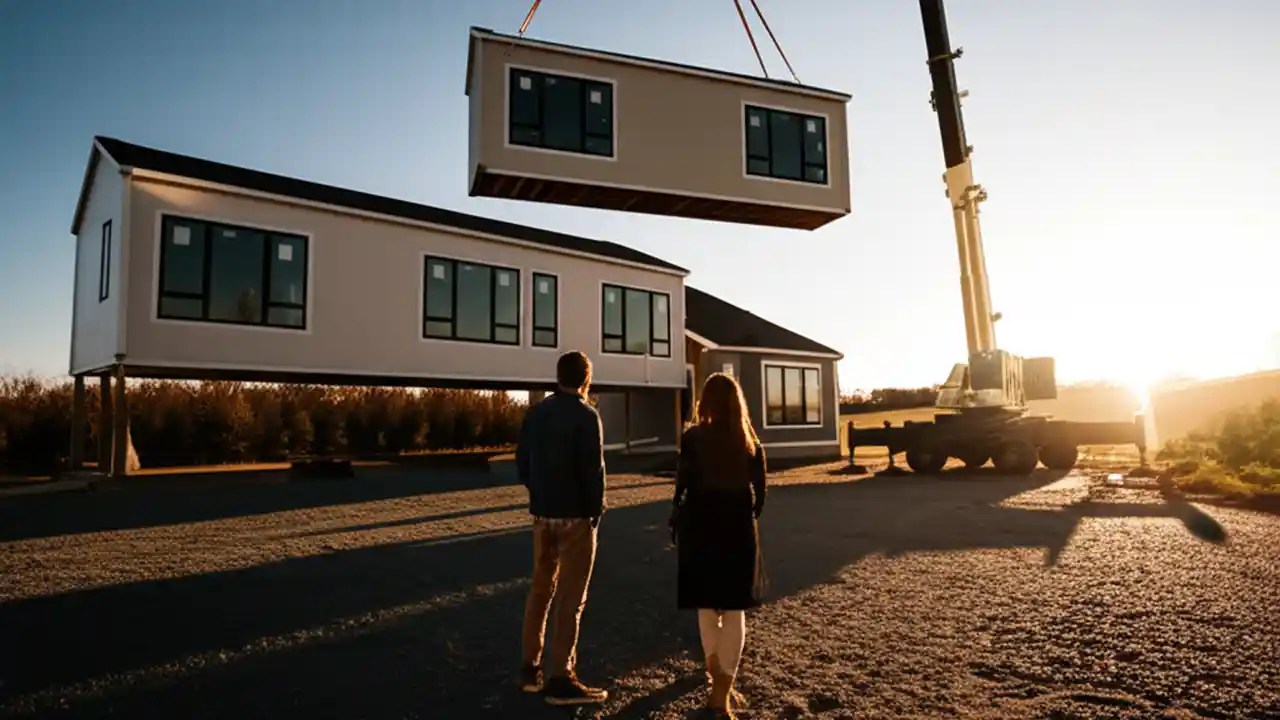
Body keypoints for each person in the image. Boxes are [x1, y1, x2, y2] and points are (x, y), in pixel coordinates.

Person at [670, 372, 767, 719]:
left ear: (705, 402)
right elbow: (760, 497)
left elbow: (682, 484)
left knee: (707, 607)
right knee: (735, 610)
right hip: (736, 528)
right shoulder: (749, 442)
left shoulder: (693, 438)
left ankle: (715, 677)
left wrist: (678, 516)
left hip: (700, 527)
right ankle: (721, 695)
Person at [516, 351, 609, 706]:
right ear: (586, 379)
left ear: (558, 376)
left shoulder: (536, 414)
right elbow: (593, 472)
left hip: (543, 516)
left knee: (540, 592)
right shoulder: (587, 416)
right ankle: (560, 676)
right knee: (570, 598)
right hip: (576, 519)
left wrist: (539, 493)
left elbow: (522, 463)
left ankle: (529, 669)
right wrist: (594, 512)